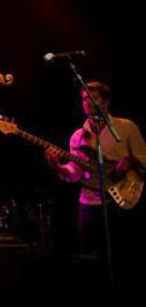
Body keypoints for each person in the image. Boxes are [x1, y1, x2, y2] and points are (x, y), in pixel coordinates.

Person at [45, 82, 146, 259]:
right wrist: (57, 166)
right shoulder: (78, 136)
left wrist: (129, 161)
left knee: (121, 255)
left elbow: (143, 155)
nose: (87, 103)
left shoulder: (126, 127)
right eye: (84, 99)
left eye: (93, 99)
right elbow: (75, 173)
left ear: (106, 103)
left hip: (120, 201)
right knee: (90, 257)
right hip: (88, 204)